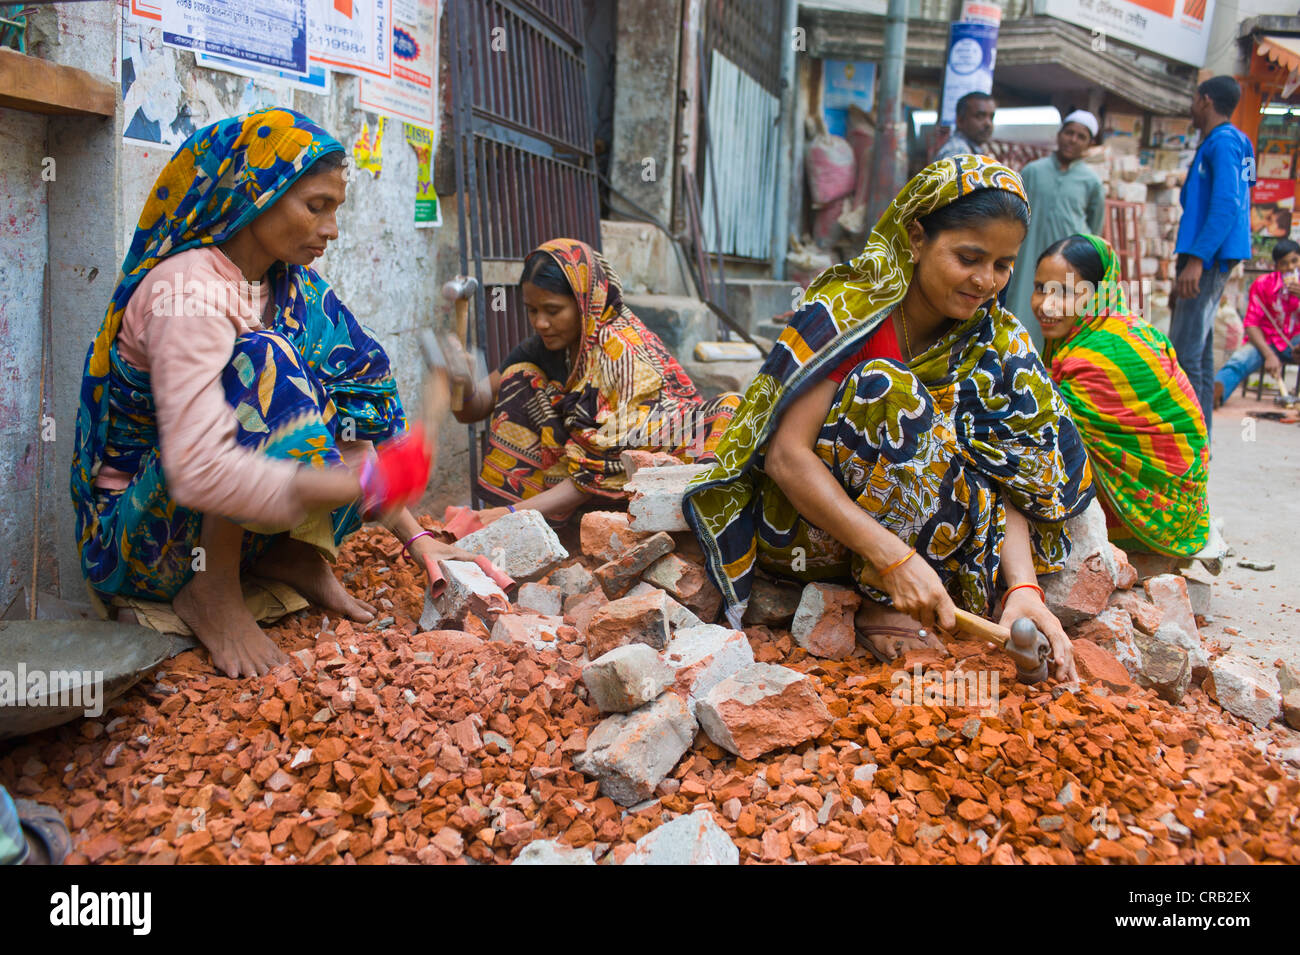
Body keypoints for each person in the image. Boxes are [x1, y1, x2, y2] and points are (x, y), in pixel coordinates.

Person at [71, 109, 471, 679]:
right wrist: (349, 481)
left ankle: (294, 552)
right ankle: (212, 589)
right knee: (264, 360)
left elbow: (366, 408)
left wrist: (420, 539)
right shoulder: (185, 294)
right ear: (254, 195)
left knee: (345, 395)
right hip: (147, 539)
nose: (331, 228)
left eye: (336, 209)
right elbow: (197, 470)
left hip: (239, 511)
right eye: (316, 206)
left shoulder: (292, 285)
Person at [683, 156, 1094, 682]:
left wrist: (1024, 590)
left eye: (1003, 264)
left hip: (929, 550)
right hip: (817, 533)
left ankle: (938, 593)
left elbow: (1010, 474)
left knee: (1009, 442)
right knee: (885, 387)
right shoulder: (851, 312)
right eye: (968, 257)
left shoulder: (996, 339)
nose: (985, 281)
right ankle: (881, 600)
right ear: (917, 238)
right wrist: (894, 561)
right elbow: (787, 456)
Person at [448, 238, 739, 525]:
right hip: (586, 478)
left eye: (552, 311)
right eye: (532, 310)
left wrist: (506, 516)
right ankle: (537, 525)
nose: (540, 323)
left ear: (584, 302)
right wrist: (461, 383)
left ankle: (532, 521)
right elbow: (472, 411)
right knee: (519, 378)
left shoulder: (622, 353)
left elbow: (599, 469)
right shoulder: (547, 346)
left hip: (639, 481)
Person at [1032, 234, 1211, 559]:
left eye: (1065, 293)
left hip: (1153, 517)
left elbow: (1044, 442)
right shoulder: (1112, 329)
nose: (1046, 304)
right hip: (1186, 511)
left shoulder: (1099, 355)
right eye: (1040, 288)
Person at [1168, 75, 1255, 432]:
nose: (1191, 105)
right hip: (1214, 256)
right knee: (1198, 354)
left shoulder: (1224, 143)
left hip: (1207, 259)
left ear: (1205, 100)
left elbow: (1227, 204)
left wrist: (1197, 259)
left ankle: (1185, 444)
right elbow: (1245, 191)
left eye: (1193, 99)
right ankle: (1200, 443)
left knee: (1183, 355)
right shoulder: (1239, 143)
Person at [1002, 110, 1105, 347]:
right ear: (1059, 135)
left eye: (1081, 136)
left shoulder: (1091, 182)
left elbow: (1093, 229)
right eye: (1069, 133)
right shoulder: (1032, 171)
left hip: (1068, 268)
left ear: (1089, 144)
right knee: (1021, 313)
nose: (1073, 140)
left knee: (1060, 318)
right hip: (1027, 261)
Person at [1214, 238, 1300, 405]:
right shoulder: (1262, 285)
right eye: (1284, 264)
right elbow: (1251, 324)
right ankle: (1214, 395)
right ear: (1276, 267)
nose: (1290, 267)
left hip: (1295, 343)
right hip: (1265, 341)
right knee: (1239, 361)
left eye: (1294, 261)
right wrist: (1269, 355)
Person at [933, 91, 996, 162]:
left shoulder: (974, 149)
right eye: (980, 116)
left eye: (991, 117)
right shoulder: (957, 152)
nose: (988, 124)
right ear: (960, 121)